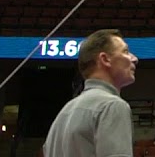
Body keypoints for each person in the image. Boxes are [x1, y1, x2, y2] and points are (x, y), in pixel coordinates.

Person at [43, 29, 138, 157]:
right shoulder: (112, 106)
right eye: (125, 51)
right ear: (105, 59)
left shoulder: (63, 114)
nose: (134, 59)